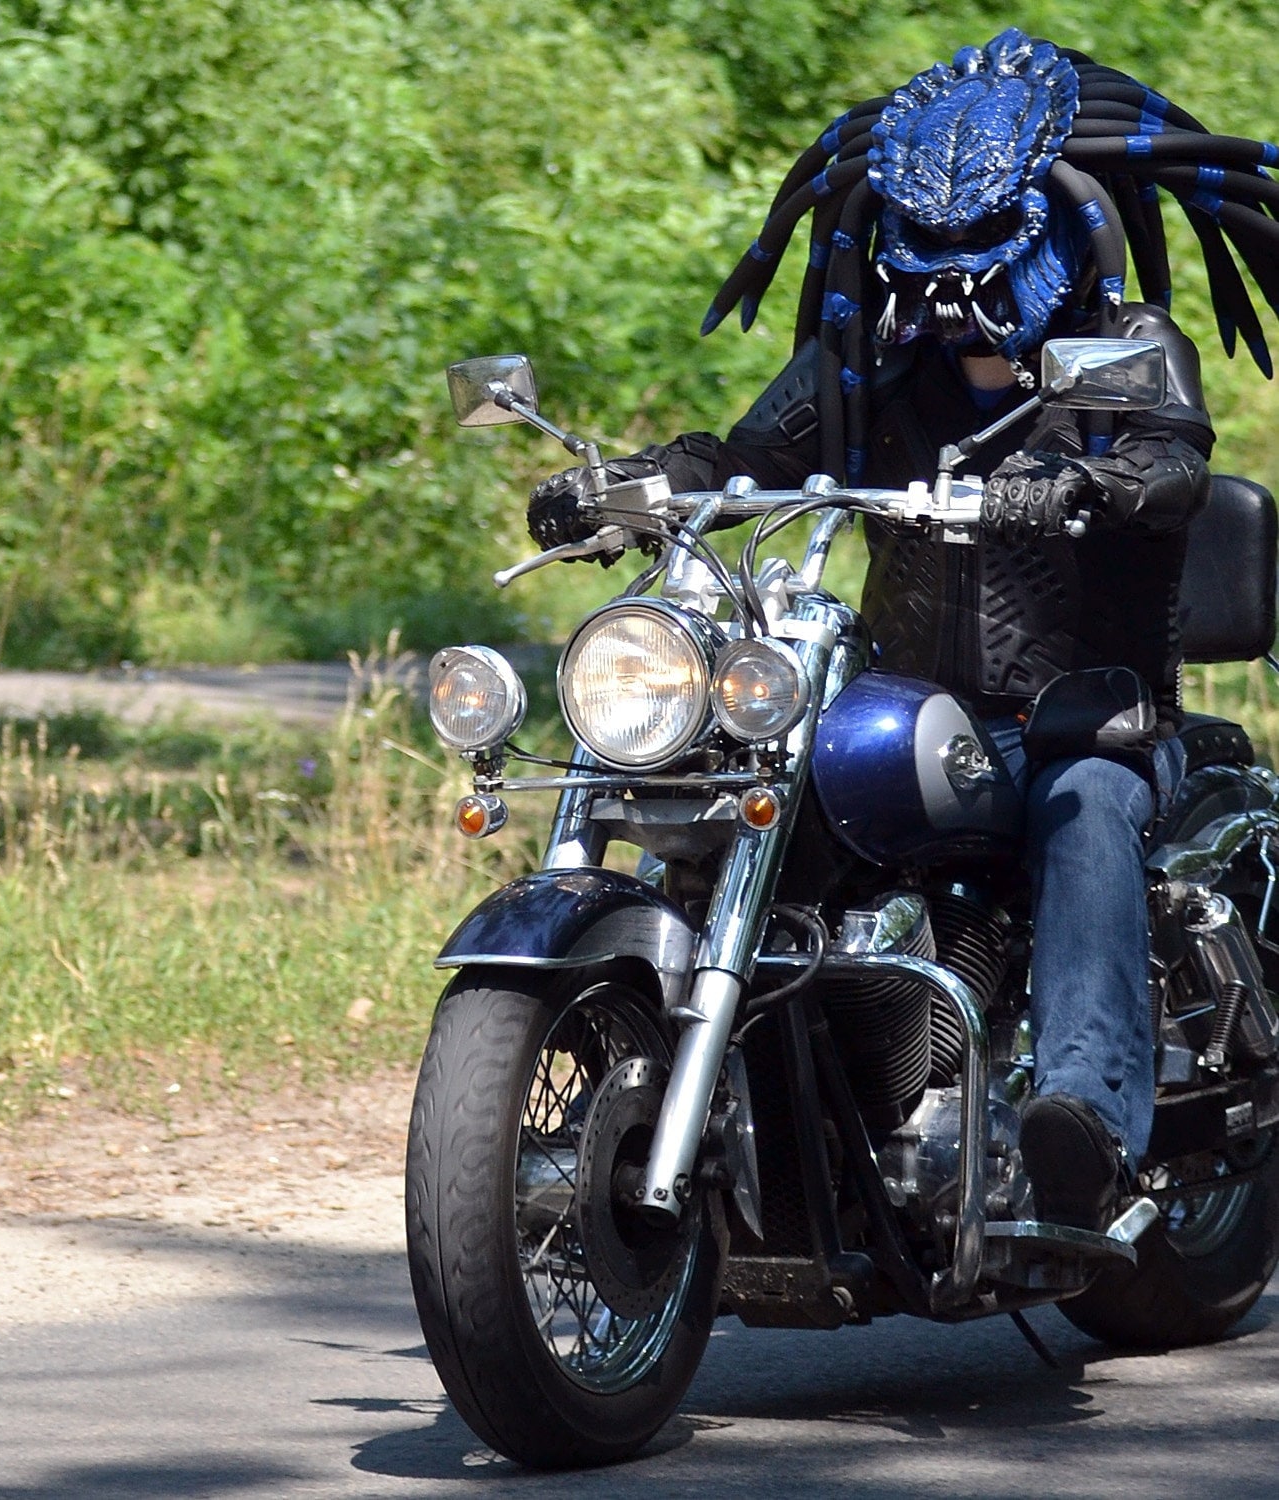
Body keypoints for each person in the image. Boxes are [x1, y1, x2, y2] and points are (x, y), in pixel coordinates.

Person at [525, 29, 1279, 1231]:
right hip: (902, 710)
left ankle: (1084, 1115)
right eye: (925, 249)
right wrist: (633, 484)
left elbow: (1171, 463)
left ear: (1044, 227)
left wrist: (1094, 482)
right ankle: (786, 1102)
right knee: (747, 793)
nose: (950, 282)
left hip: (1079, 717)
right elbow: (743, 458)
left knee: (1088, 810)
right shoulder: (864, 362)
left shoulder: (1128, 349)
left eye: (979, 249)